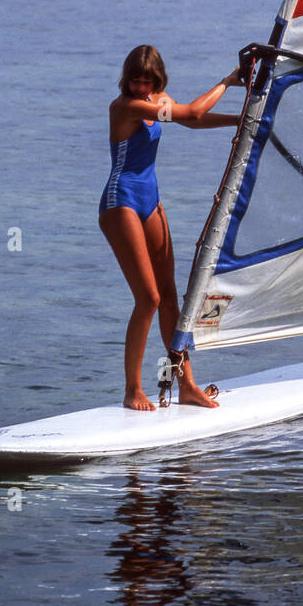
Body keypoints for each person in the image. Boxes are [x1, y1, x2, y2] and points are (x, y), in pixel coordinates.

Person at [99, 45, 241, 411]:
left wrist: (240, 121)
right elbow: (193, 110)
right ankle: (133, 389)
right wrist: (228, 80)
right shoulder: (125, 107)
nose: (141, 87)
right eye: (135, 80)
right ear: (126, 79)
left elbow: (192, 120)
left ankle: (187, 385)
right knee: (148, 298)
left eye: (148, 81)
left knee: (170, 300)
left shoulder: (158, 99)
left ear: (158, 79)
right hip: (121, 202)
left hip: (151, 202)